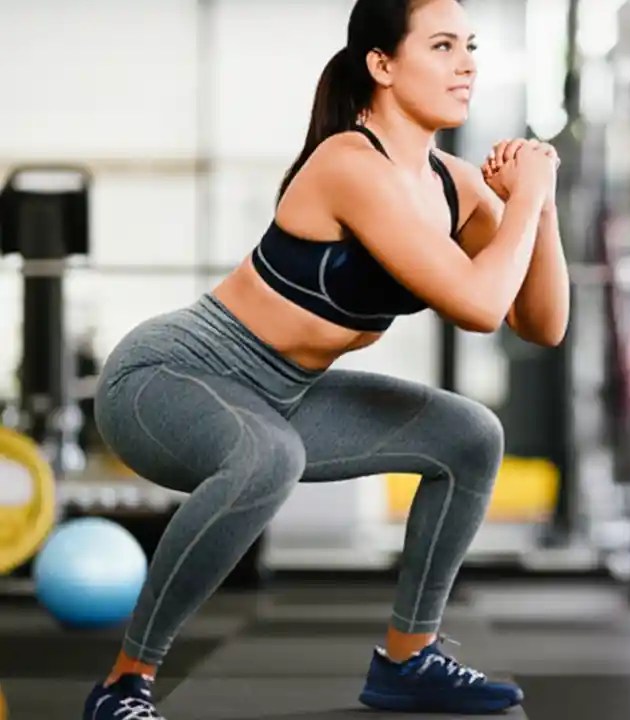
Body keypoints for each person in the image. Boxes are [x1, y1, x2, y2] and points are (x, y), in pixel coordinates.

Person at [81, 0, 568, 717]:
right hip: (167, 377)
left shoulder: (454, 185)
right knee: (267, 456)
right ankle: (124, 684)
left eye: (469, 45)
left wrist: (543, 204)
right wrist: (523, 200)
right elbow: (478, 305)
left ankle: (408, 660)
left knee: (470, 436)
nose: (466, 62)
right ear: (382, 64)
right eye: (441, 46)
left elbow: (541, 322)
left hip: (287, 395)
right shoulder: (348, 162)